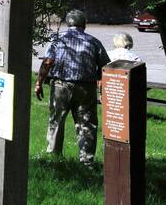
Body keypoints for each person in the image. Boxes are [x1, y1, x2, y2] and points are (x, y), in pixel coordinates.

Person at [35, 10, 110, 166]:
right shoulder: (93, 42)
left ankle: (53, 156)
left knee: (56, 121)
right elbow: (105, 68)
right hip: (86, 88)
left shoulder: (57, 39)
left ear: (67, 23)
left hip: (61, 86)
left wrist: (39, 83)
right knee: (86, 124)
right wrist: (100, 87)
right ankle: (87, 161)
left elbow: (48, 62)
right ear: (84, 24)